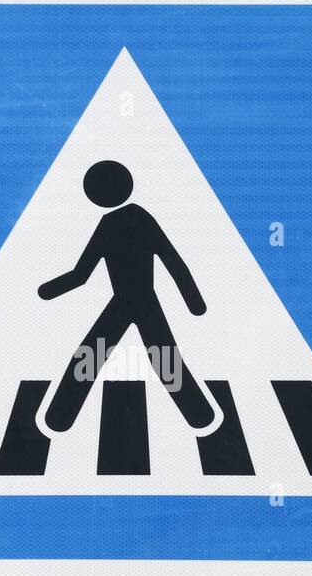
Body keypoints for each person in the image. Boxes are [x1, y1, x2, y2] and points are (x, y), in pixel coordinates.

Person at [38, 159, 216, 433]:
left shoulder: (110, 223)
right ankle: (200, 415)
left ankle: (59, 417)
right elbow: (173, 261)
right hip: (139, 302)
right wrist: (194, 303)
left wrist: (48, 290)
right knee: (162, 358)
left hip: (129, 303)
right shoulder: (138, 218)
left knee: (91, 356)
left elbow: (81, 274)